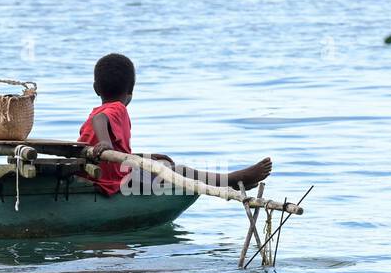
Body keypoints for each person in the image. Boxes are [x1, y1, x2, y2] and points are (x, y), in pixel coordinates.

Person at [78, 53, 271, 195]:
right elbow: (101, 120)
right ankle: (231, 180)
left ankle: (228, 182)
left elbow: (107, 147)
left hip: (102, 174)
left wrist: (142, 157)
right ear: (131, 93)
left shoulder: (92, 114)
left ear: (96, 89)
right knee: (180, 171)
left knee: (161, 163)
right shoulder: (116, 109)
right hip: (113, 181)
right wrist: (105, 142)